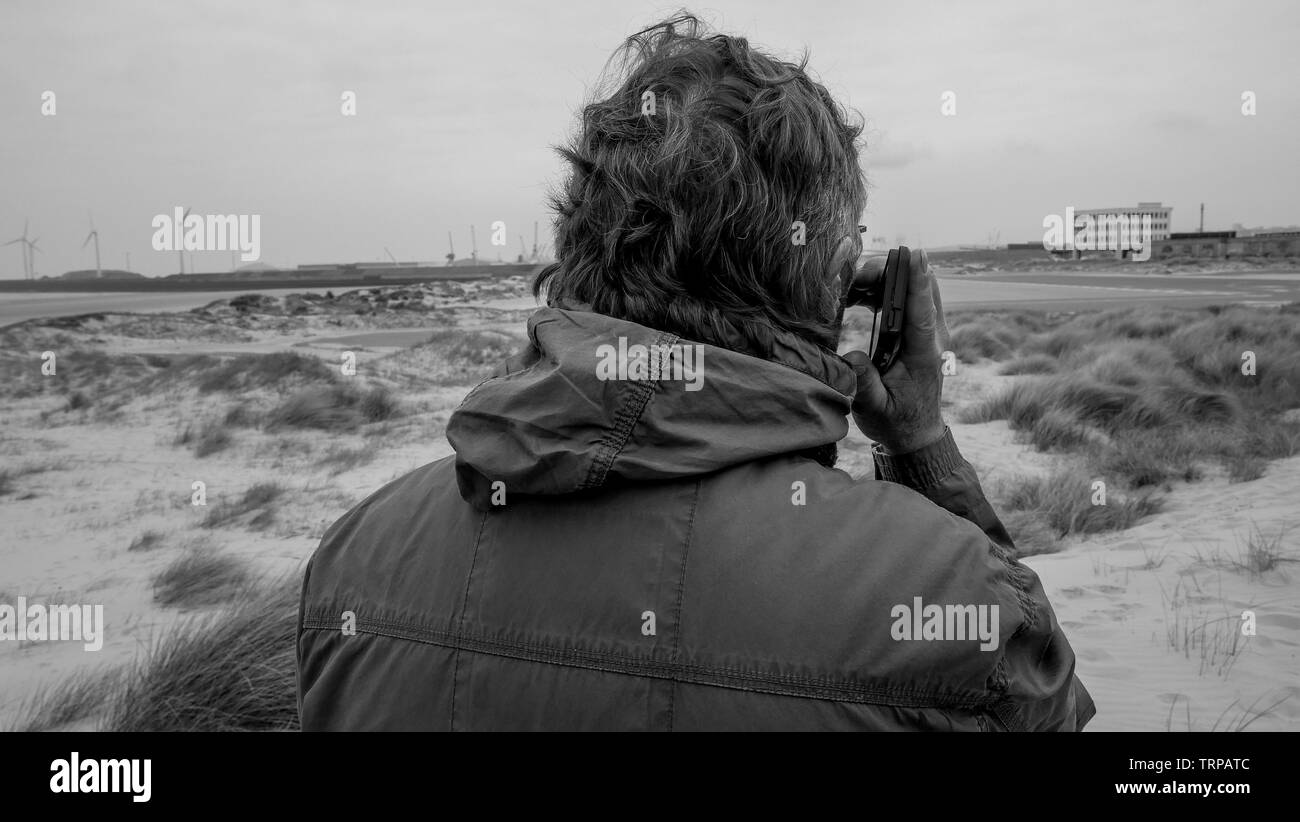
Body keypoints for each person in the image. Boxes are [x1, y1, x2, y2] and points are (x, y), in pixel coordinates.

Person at [297, 13, 1094, 731]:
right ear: (830, 275)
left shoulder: (357, 560)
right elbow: (1037, 701)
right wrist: (919, 442)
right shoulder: (945, 598)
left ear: (579, 245)